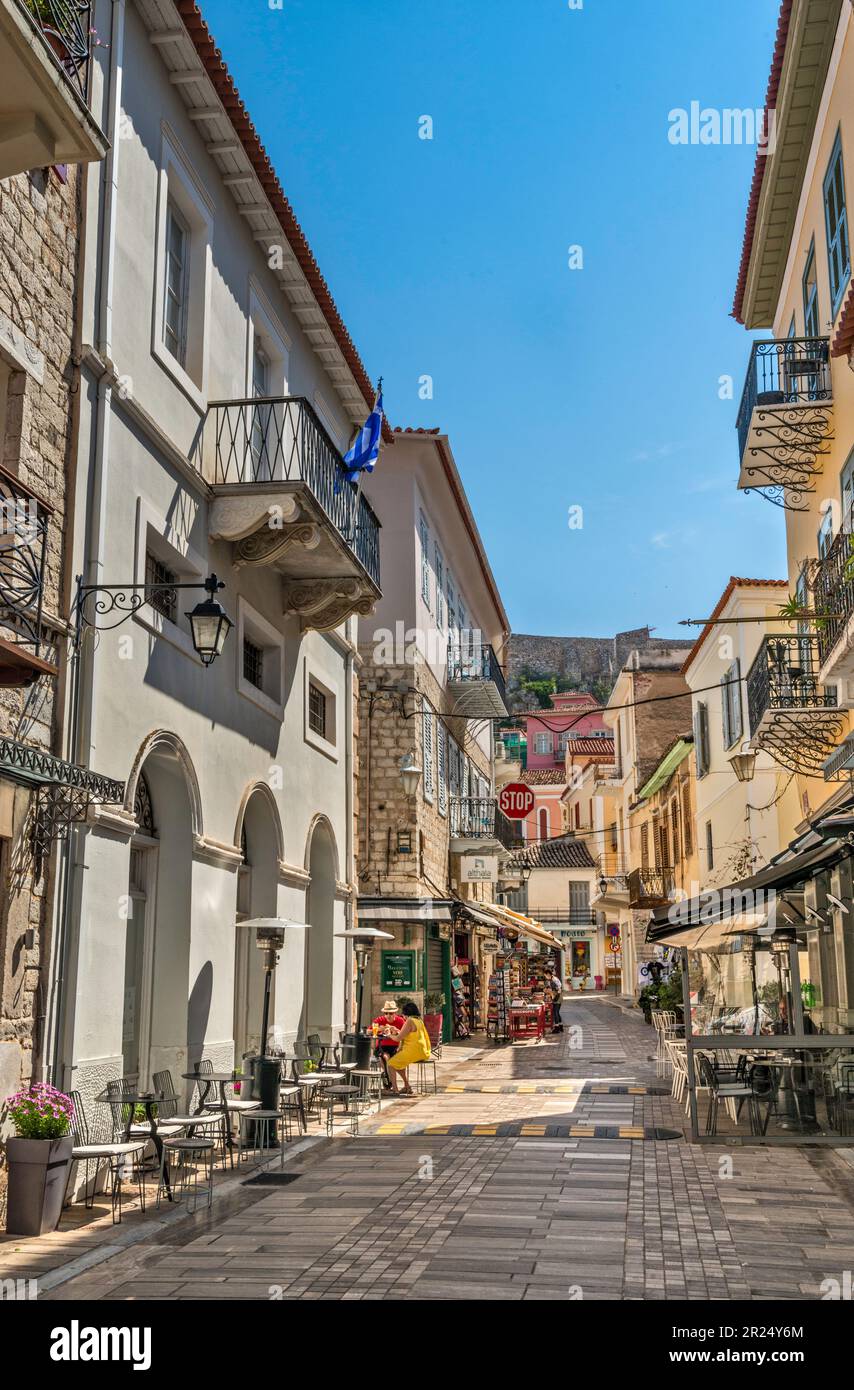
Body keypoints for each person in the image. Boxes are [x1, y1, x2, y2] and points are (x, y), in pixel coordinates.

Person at [387, 1000, 431, 1096]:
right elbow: (409, 1034)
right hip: (422, 1051)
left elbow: (398, 1038)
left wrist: (389, 1035)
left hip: (412, 1051)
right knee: (398, 1063)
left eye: (403, 1015)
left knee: (390, 1064)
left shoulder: (409, 1020)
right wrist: (398, 1030)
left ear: (406, 1013)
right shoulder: (419, 1020)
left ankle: (395, 1090)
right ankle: (407, 1086)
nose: (403, 1017)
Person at [371, 1001, 405, 1089]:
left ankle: (391, 1080)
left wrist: (397, 1030)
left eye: (390, 1013)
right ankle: (392, 1083)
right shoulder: (380, 1020)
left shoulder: (400, 1021)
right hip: (382, 1046)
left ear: (395, 1013)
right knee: (386, 1058)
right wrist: (379, 1028)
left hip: (395, 1047)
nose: (388, 1015)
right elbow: (368, 1031)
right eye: (386, 1013)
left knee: (395, 1063)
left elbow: (406, 1034)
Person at [548, 969, 564, 1033]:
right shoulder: (554, 978)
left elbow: (557, 989)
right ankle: (560, 1026)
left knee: (555, 1013)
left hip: (557, 997)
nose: (546, 977)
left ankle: (557, 1028)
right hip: (559, 997)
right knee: (557, 1012)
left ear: (548, 974)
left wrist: (553, 997)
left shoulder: (553, 980)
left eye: (545, 975)